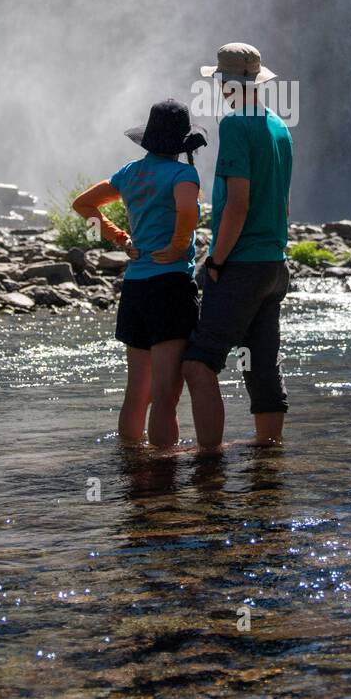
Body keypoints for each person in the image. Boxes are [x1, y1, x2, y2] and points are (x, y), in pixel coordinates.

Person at [73, 100, 206, 447]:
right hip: (171, 285)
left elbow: (82, 204)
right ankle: (164, 476)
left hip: (135, 287)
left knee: (136, 391)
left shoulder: (129, 172)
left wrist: (119, 238)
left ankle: (131, 463)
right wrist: (178, 245)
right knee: (165, 395)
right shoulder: (182, 174)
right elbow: (187, 209)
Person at [182, 43, 293, 449]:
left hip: (242, 263)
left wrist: (216, 259)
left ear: (225, 82)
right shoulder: (279, 127)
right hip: (274, 265)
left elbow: (238, 204)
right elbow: (283, 202)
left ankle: (208, 464)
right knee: (262, 365)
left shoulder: (233, 125)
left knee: (198, 363)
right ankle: (268, 458)